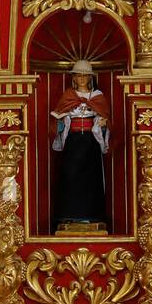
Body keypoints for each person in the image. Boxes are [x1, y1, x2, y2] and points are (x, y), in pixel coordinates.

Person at [51, 61, 111, 230]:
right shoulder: (68, 96)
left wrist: (103, 124)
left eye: (85, 75)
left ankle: (91, 216)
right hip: (73, 142)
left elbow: (106, 119)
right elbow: (58, 119)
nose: (82, 79)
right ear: (74, 78)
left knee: (91, 179)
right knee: (71, 178)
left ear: (90, 78)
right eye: (78, 75)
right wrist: (61, 122)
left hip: (91, 142)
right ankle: (69, 216)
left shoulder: (98, 96)